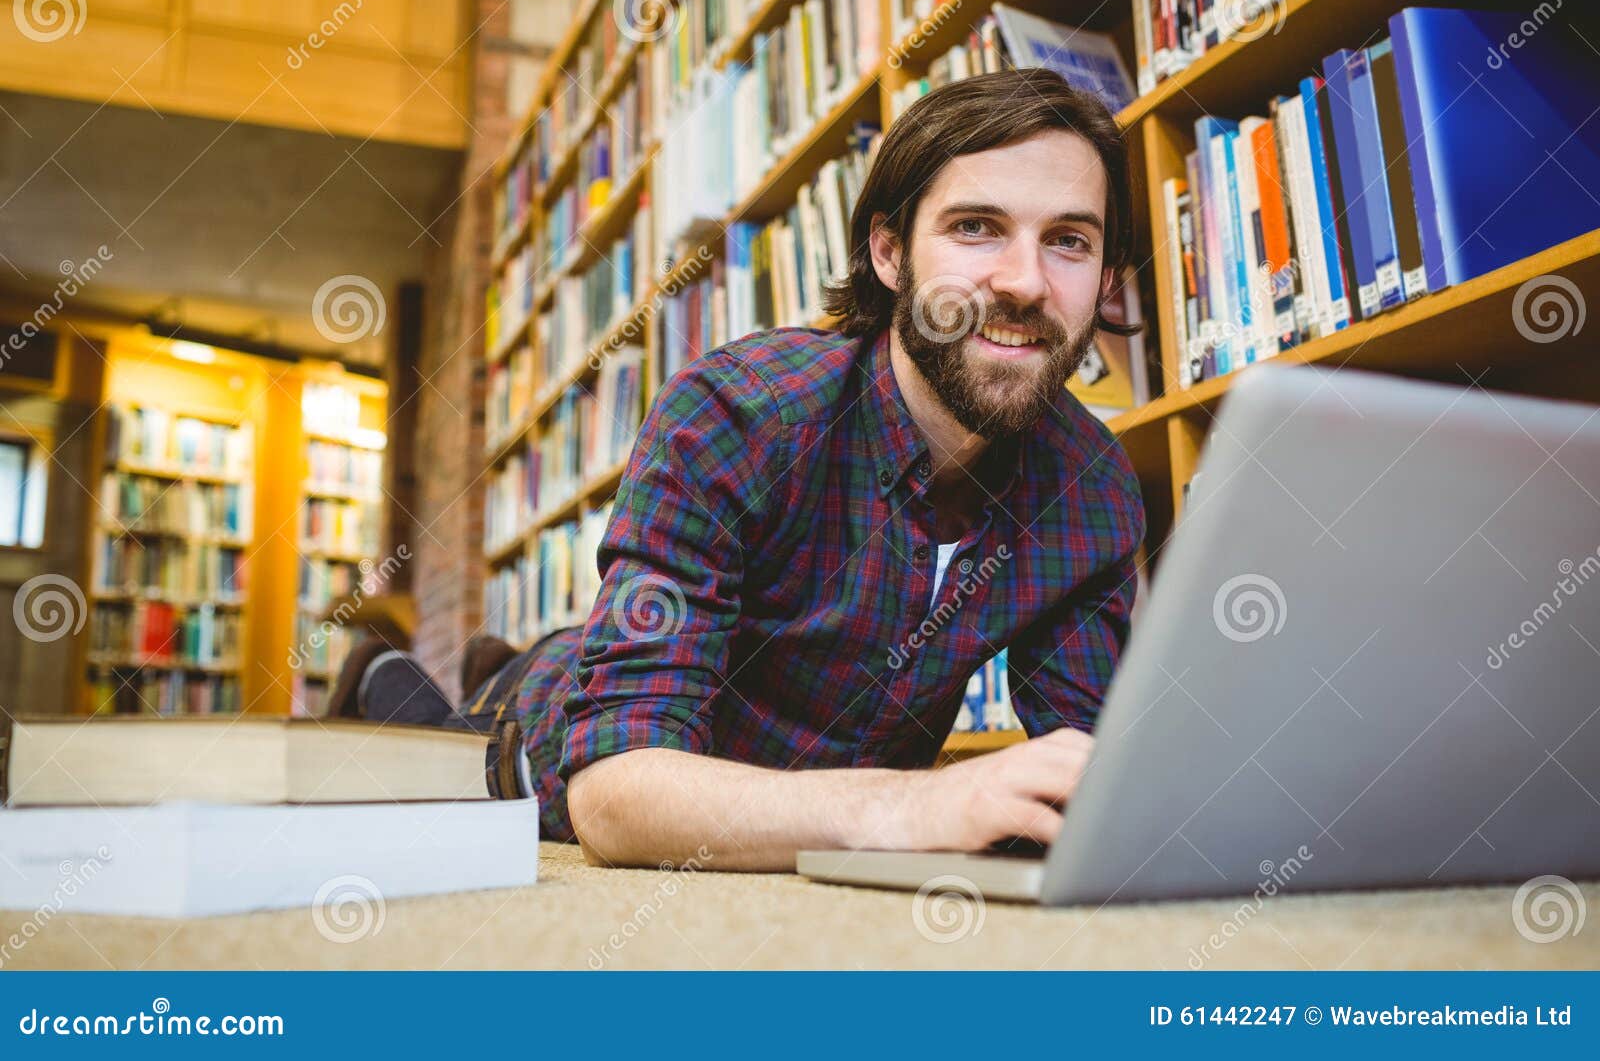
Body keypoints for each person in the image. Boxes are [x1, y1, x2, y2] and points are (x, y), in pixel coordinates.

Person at [335, 68, 1146, 872]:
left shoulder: (1094, 490)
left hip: (810, 812)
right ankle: (404, 671)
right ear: (891, 253)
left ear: (1106, 278)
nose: (1025, 282)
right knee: (411, 754)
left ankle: (486, 658)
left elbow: (1086, 773)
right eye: (976, 227)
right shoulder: (737, 414)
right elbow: (612, 799)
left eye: (1069, 240)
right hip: (533, 754)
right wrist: (918, 802)